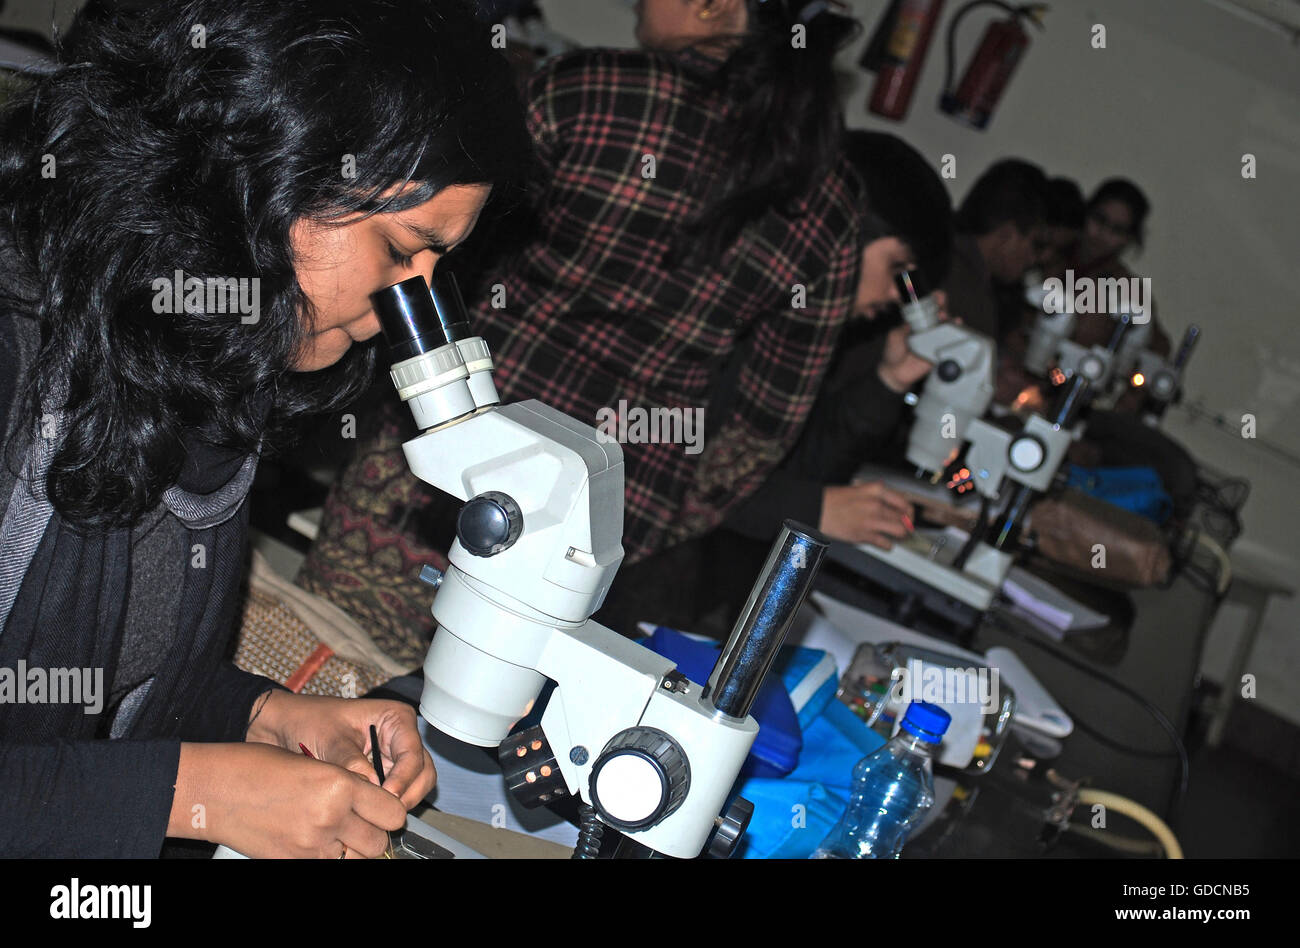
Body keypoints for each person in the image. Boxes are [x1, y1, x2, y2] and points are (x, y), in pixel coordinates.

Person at [0, 0, 528, 858]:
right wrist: (189, 796)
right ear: (253, 168)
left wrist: (260, 716)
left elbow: (94, 683)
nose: (412, 311)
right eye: (401, 251)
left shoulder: (203, 355)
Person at [296, 0, 866, 649]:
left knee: (324, 672)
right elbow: (764, 427)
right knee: (472, 724)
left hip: (446, 451)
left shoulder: (593, 92)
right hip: (590, 522)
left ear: (714, 5)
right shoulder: (834, 202)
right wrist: (645, 512)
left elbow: (429, 245)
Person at [942, 158, 1050, 343]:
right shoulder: (974, 302)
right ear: (1006, 235)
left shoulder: (929, 249)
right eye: (1035, 244)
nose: (1033, 259)